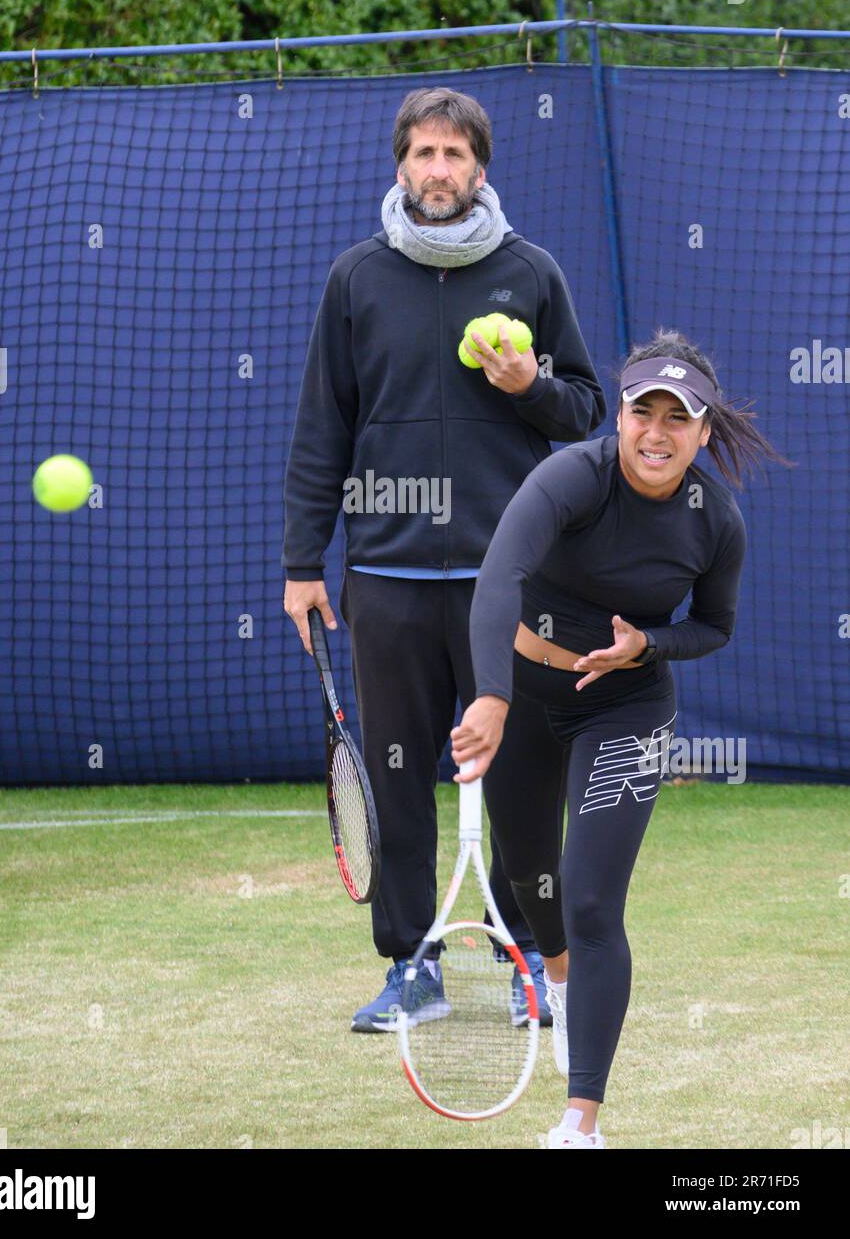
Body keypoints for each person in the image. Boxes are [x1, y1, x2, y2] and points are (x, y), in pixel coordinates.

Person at [282, 86, 606, 1032]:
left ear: (481, 168)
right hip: (384, 581)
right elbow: (320, 433)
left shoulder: (532, 274)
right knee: (394, 777)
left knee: (519, 780)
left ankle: (523, 962)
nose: (437, 170)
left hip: (510, 583)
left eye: (454, 155)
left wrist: (529, 383)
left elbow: (589, 415)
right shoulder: (355, 279)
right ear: (400, 165)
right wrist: (305, 562)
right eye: (422, 153)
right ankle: (410, 968)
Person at [451, 329, 791, 1147]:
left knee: (593, 899)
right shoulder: (571, 476)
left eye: (681, 419)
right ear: (622, 416)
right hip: (526, 693)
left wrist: (647, 643)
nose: (658, 433)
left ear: (704, 433)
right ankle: (559, 982)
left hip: (626, 708)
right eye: (645, 411)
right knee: (534, 882)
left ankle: (581, 1124)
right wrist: (492, 695)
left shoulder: (717, 522)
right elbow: (498, 577)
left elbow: (712, 626)